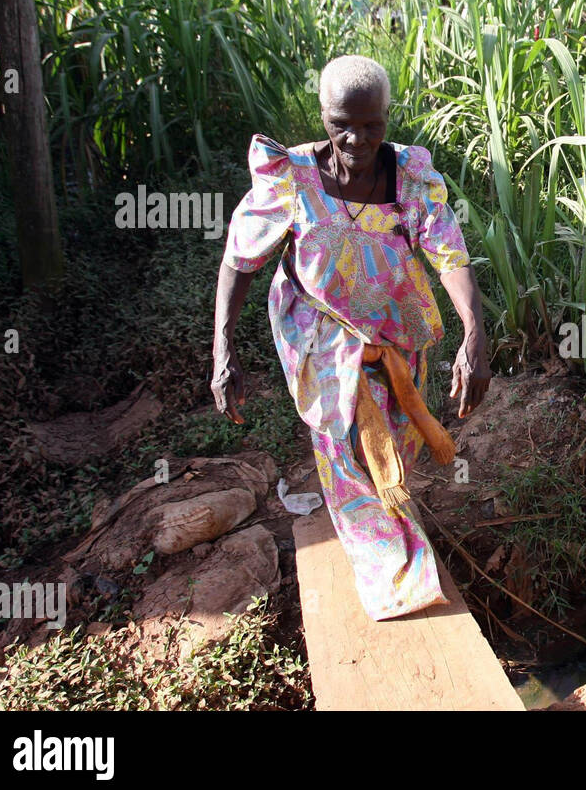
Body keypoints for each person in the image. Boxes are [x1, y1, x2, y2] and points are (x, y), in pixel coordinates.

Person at [210, 54, 491, 619]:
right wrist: (223, 344)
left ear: (387, 117)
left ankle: (390, 518)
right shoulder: (291, 177)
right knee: (341, 438)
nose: (358, 139)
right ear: (323, 115)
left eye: (372, 125)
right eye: (343, 125)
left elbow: (448, 253)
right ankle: (394, 573)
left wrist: (475, 331)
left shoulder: (410, 176)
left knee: (397, 438)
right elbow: (241, 259)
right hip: (318, 332)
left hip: (393, 330)